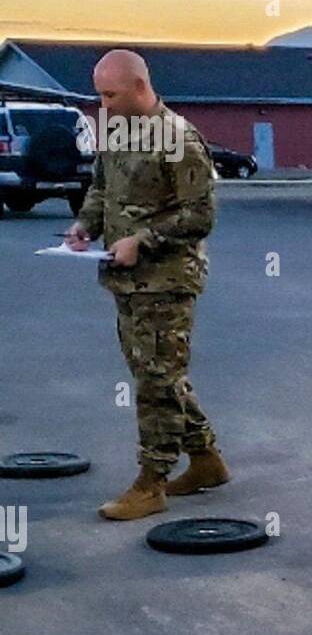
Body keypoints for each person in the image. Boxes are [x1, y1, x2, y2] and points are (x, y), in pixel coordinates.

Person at [65, 50, 227, 520]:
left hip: (167, 280)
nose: (104, 103)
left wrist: (146, 240)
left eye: (110, 93)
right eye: (100, 94)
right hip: (125, 279)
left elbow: (202, 214)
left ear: (139, 87)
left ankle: (151, 482)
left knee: (156, 381)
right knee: (157, 372)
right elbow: (101, 187)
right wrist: (84, 228)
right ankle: (205, 459)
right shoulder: (116, 128)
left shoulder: (178, 138)